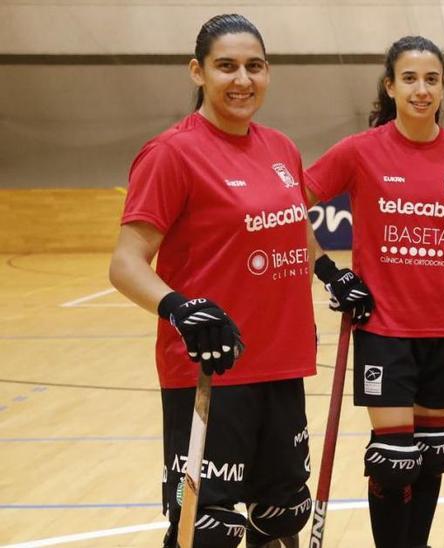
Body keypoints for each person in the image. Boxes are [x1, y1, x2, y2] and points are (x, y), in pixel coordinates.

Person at [108, 13, 336, 548]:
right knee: (209, 528)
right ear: (197, 72)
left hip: (281, 362)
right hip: (210, 370)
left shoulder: (281, 148)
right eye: (226, 67)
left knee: (282, 514)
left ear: (268, 72)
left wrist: (328, 272)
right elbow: (126, 262)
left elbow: (291, 227)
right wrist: (179, 309)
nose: (242, 80)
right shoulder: (172, 153)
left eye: (254, 67)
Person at [305, 35, 444, 548]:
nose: (421, 89)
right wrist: (329, 270)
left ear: (442, 87)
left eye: (432, 79)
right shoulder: (361, 151)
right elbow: (291, 201)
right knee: (393, 460)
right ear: (390, 86)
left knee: (433, 455)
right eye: (409, 78)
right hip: (384, 327)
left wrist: (426, 265)